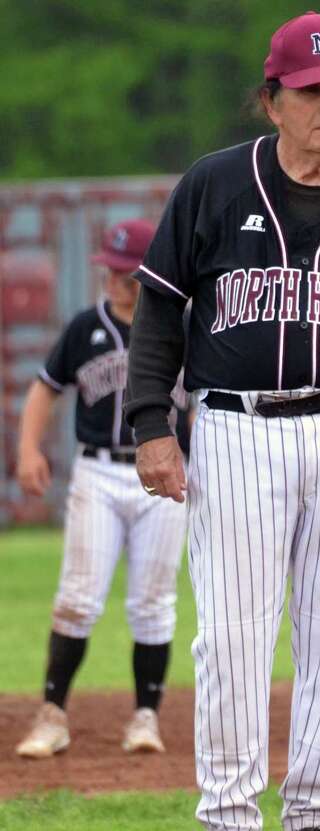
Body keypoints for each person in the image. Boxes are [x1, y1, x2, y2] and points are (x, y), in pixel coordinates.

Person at [123, 12, 320, 831]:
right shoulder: (214, 186)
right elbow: (158, 310)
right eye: (312, 91)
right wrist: (151, 421)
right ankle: (230, 815)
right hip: (238, 430)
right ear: (273, 101)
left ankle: (314, 815)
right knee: (232, 637)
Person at [14, 218, 189, 759]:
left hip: (167, 476)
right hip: (99, 473)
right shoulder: (85, 326)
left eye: (126, 272)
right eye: (110, 270)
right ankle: (52, 715)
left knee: (153, 601)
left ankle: (145, 717)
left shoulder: (181, 328)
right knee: (78, 596)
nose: (115, 280)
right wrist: (27, 449)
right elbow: (45, 389)